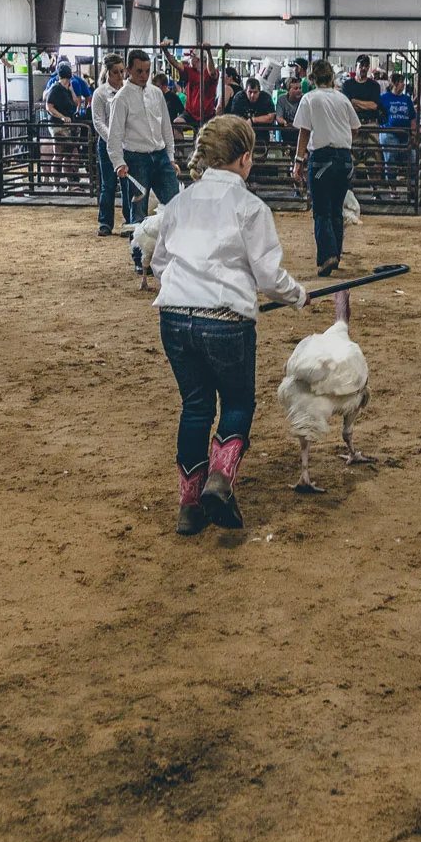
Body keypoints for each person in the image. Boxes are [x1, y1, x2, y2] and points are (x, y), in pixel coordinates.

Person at [147, 114, 307, 535]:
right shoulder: (250, 207)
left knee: (195, 406)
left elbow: (161, 262)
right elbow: (270, 277)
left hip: (175, 317)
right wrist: (298, 296)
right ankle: (220, 481)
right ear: (244, 157)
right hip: (226, 321)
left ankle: (189, 504)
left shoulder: (178, 203)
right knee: (237, 402)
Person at [292, 59, 359, 276]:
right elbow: (355, 128)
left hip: (322, 157)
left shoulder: (309, 99)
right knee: (336, 209)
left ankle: (327, 256)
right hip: (344, 157)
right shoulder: (342, 99)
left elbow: (304, 132)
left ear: (311, 78)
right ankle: (336, 254)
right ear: (331, 77)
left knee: (321, 210)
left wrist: (298, 161)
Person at [109, 48, 182, 212]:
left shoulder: (156, 93)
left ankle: (172, 237)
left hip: (160, 154)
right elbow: (114, 135)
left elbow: (166, 129)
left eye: (147, 71)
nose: (144, 75)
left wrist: (170, 156)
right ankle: (136, 236)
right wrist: (118, 163)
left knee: (175, 204)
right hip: (136, 158)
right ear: (129, 70)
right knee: (138, 209)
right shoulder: (121, 99)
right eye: (139, 71)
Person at [89, 54, 127, 234]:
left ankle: (130, 221)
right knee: (108, 184)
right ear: (108, 73)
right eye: (116, 72)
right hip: (107, 143)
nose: (120, 75)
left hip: (127, 143)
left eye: (122, 71)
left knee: (128, 183)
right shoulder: (100, 93)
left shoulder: (128, 90)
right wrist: (112, 138)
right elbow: (98, 121)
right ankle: (105, 223)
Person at [377, 72, 415, 181]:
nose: (403, 85)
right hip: (389, 133)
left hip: (405, 133)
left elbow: (412, 117)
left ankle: (412, 187)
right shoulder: (384, 97)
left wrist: (413, 133)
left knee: (412, 160)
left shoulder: (407, 99)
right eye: (401, 82)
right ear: (394, 83)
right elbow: (378, 113)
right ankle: (392, 188)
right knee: (390, 161)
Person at [344, 55, 383, 125]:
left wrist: (354, 101)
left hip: (371, 124)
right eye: (361, 65)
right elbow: (347, 107)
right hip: (353, 124)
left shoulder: (375, 86)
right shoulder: (347, 85)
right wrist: (366, 106)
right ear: (356, 66)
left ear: (368, 67)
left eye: (366, 66)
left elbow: (374, 106)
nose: (363, 68)